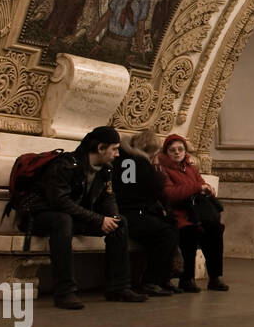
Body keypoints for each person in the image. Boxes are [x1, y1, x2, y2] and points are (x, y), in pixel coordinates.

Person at [17, 126, 144, 309]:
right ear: (100, 148)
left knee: (119, 222)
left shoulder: (105, 170)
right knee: (62, 220)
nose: (117, 154)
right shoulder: (65, 165)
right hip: (39, 217)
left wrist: (111, 217)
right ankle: (64, 291)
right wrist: (98, 220)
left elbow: (108, 197)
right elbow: (60, 202)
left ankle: (119, 287)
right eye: (114, 149)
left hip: (74, 217)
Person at [157, 133, 228, 292]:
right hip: (178, 214)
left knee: (215, 230)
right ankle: (186, 278)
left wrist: (207, 190)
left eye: (180, 149)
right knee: (190, 232)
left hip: (197, 213)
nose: (177, 152)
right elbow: (170, 194)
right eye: (172, 149)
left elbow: (201, 184)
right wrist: (196, 188)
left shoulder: (191, 168)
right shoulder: (163, 169)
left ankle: (216, 277)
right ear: (166, 152)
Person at [112, 130, 178, 296]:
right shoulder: (140, 162)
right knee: (167, 233)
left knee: (167, 228)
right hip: (133, 213)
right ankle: (152, 280)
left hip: (126, 210)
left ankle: (161, 279)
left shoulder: (121, 158)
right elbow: (155, 188)